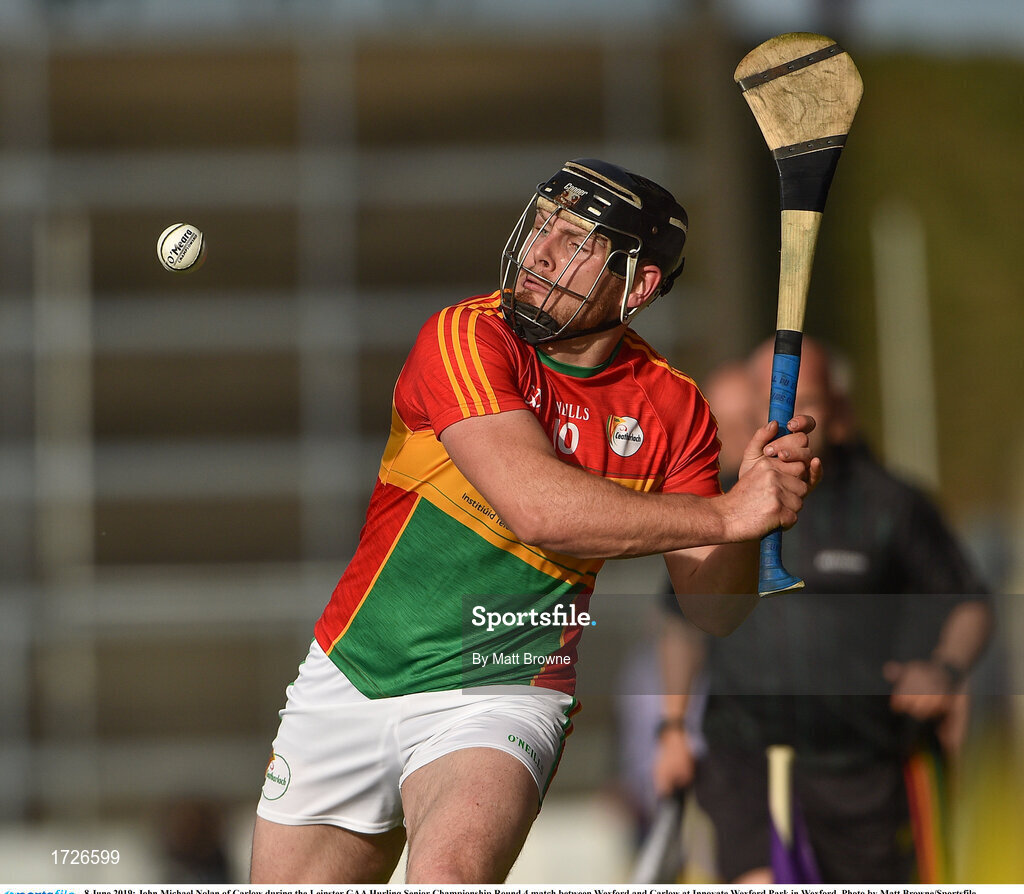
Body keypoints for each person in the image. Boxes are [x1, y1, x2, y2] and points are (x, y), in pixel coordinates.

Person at [248, 158, 822, 884]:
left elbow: (712, 608)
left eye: (578, 241)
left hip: (505, 686)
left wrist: (755, 508)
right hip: (353, 675)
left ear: (638, 285)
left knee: (450, 874)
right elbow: (537, 507)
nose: (540, 252)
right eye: (543, 225)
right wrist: (726, 510)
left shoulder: (673, 410)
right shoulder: (467, 337)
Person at [653, 337, 992, 884]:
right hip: (747, 759)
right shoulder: (717, 503)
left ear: (836, 408)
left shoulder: (891, 506)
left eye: (803, 397)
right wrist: (670, 728)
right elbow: (679, 625)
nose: (787, 414)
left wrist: (945, 670)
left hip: (865, 767)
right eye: (772, 399)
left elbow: (968, 603)